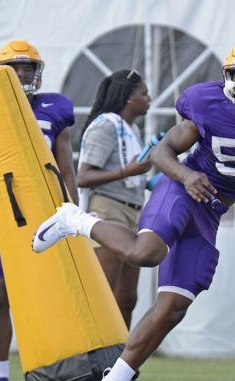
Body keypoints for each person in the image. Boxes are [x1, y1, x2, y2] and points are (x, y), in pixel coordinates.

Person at [31, 40, 235, 381]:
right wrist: (186, 175)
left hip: (211, 211)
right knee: (146, 252)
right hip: (182, 190)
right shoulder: (207, 102)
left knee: (174, 307)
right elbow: (164, 150)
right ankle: (73, 220)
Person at [0, 39, 78, 381]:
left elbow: (66, 168)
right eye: (16, 68)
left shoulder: (55, 108)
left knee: (59, 296)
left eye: (28, 68)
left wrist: (74, 211)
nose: (23, 74)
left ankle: (64, 372)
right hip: (0, 213)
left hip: (47, 211)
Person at [77, 69, 152, 329]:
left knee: (127, 297)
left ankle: (119, 360)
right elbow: (83, 176)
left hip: (133, 211)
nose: (149, 98)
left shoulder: (131, 130)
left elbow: (132, 176)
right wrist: (128, 171)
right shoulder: (105, 126)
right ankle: (94, 355)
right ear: (129, 97)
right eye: (144, 93)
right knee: (104, 292)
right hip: (108, 208)